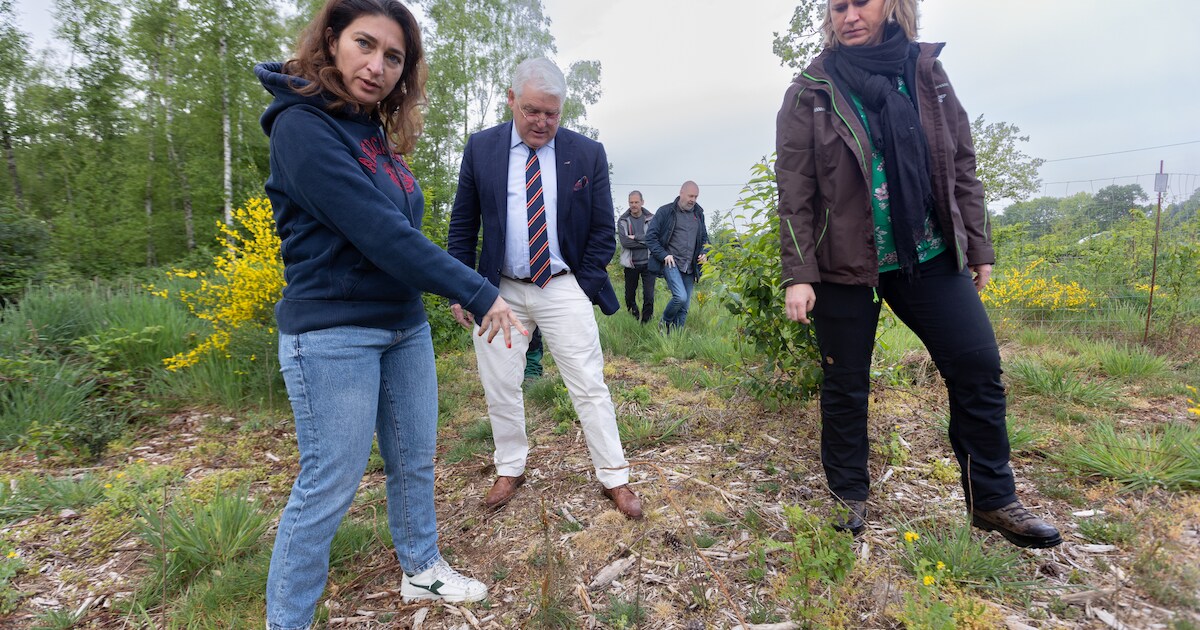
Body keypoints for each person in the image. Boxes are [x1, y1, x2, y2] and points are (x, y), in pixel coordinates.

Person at [254, 1, 527, 626]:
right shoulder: (302, 127)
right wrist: (480, 290)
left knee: (414, 455)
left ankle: (423, 569)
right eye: (364, 44)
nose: (377, 66)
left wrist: (446, 288)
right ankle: (287, 619)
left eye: (394, 57)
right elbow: (376, 231)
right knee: (330, 484)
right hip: (332, 333)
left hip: (402, 326)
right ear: (331, 40)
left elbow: (403, 230)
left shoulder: (371, 128)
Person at [775, 0, 1061, 548]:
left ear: (893, 7)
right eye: (838, 6)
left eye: (861, 2)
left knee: (977, 363)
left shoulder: (925, 73)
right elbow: (796, 189)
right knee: (846, 380)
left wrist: (977, 244)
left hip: (925, 250)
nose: (849, 14)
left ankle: (993, 500)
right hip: (839, 261)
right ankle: (848, 497)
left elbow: (960, 163)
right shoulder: (810, 90)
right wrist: (799, 273)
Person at [447, 58, 643, 519]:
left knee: (590, 384)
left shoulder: (587, 153)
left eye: (552, 114)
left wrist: (584, 284)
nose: (542, 123)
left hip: (561, 285)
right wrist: (461, 287)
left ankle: (614, 477)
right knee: (500, 383)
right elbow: (463, 224)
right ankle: (511, 467)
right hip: (500, 291)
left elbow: (601, 229)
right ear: (512, 99)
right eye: (533, 110)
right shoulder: (481, 149)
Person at [645, 181, 710, 332]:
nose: (693, 199)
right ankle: (664, 322)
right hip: (671, 263)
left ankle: (675, 338)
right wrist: (663, 255)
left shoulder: (698, 214)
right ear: (681, 193)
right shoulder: (665, 211)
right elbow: (650, 237)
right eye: (690, 196)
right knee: (680, 297)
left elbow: (705, 239)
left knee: (684, 307)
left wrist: (704, 253)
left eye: (695, 196)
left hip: (690, 265)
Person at [616, 190, 656, 323]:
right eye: (631, 202)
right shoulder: (623, 220)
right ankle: (633, 316)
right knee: (629, 296)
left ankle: (646, 322)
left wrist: (637, 238)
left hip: (649, 263)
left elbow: (655, 239)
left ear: (642, 202)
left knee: (649, 296)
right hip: (631, 264)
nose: (633, 205)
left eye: (636, 202)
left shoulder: (652, 218)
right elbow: (625, 242)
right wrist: (647, 242)